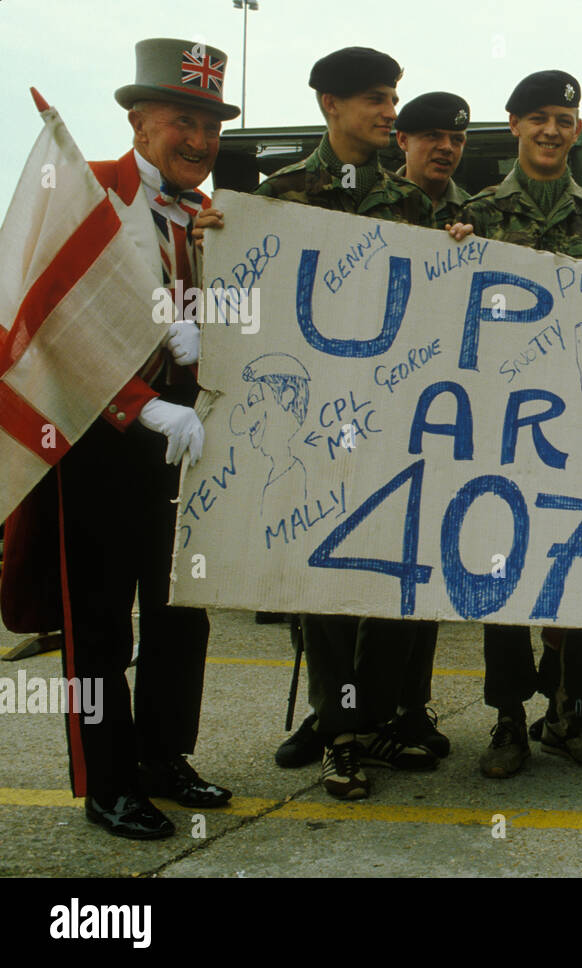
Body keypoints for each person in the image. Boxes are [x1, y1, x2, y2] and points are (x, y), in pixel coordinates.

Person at [0, 37, 237, 839]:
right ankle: (108, 783)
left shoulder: (215, 216)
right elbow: (55, 325)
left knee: (182, 613)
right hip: (98, 440)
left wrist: (217, 334)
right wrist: (140, 404)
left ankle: (164, 757)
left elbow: (251, 322)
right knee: (99, 624)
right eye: (182, 122)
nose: (199, 141)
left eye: (211, 127)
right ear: (138, 122)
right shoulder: (86, 192)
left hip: (189, 442)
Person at [246, 47, 447, 798]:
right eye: (375, 99)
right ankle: (337, 732)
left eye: (392, 97)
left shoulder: (412, 205)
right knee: (323, 588)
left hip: (394, 422)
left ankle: (374, 717)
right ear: (330, 104)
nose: (390, 111)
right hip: (314, 428)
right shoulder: (279, 194)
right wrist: (216, 242)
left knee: (392, 582)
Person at [460, 69, 582, 778]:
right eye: (538, 118)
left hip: (579, 428)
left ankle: (568, 713)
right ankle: (508, 718)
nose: (551, 131)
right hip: (498, 425)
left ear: (576, 130)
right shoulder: (476, 213)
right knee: (498, 568)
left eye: (564, 120)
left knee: (575, 569)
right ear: (514, 125)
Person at [394, 91, 472, 227]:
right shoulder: (372, 201)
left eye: (457, 139)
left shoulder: (474, 213)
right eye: (433, 136)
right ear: (403, 140)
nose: (447, 147)